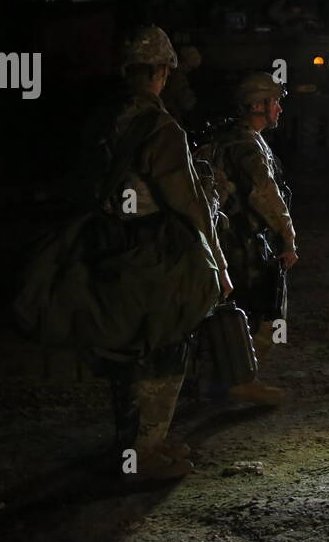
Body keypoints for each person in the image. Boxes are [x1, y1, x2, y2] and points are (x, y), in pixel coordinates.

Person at [88, 25, 233, 479]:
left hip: (114, 242)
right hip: (156, 246)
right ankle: (144, 453)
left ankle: (135, 445)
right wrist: (219, 264)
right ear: (161, 72)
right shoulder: (159, 126)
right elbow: (187, 202)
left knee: (130, 347)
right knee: (165, 345)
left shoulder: (111, 118)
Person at [205, 73, 299, 404]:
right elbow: (264, 193)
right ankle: (244, 380)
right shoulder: (247, 145)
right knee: (267, 311)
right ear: (257, 106)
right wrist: (287, 236)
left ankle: (230, 377)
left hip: (225, 239)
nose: (279, 108)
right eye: (274, 102)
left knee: (239, 308)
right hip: (243, 240)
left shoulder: (229, 137)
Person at [160, 45, 202, 128]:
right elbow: (187, 104)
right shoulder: (178, 78)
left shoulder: (167, 72)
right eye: (191, 68)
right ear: (185, 63)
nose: (190, 71)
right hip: (169, 119)